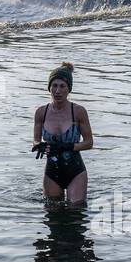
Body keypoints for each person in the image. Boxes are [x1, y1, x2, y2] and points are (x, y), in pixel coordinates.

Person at [32, 61, 93, 204]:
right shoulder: (41, 112)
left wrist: (70, 146)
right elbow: (35, 140)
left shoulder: (78, 111)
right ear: (49, 87)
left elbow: (89, 142)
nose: (57, 91)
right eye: (54, 86)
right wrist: (38, 145)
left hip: (75, 170)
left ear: (69, 89)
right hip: (52, 171)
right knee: (52, 212)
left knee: (76, 210)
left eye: (62, 86)